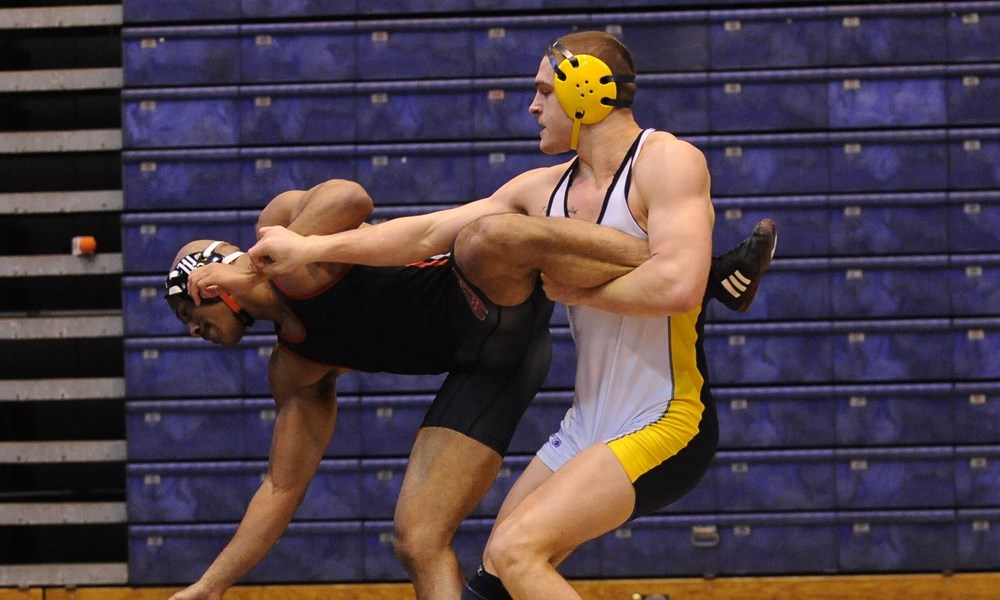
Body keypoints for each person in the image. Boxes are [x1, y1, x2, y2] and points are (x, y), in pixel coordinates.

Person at [237, 31, 777, 600]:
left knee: (519, 554)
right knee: (497, 574)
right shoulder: (543, 188)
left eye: (544, 91)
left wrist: (579, 292)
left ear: (586, 90)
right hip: (588, 424)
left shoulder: (666, 160)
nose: (533, 107)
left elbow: (679, 284)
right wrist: (311, 250)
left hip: (668, 421)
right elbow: (425, 232)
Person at [167, 177, 773, 600]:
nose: (197, 333)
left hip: (486, 293)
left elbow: (349, 197)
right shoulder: (296, 367)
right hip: (488, 370)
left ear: (207, 287)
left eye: (193, 318)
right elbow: (282, 485)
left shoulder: (288, 244)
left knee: (491, 235)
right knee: (417, 538)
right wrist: (214, 582)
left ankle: (701, 267)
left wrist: (251, 262)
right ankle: (704, 273)